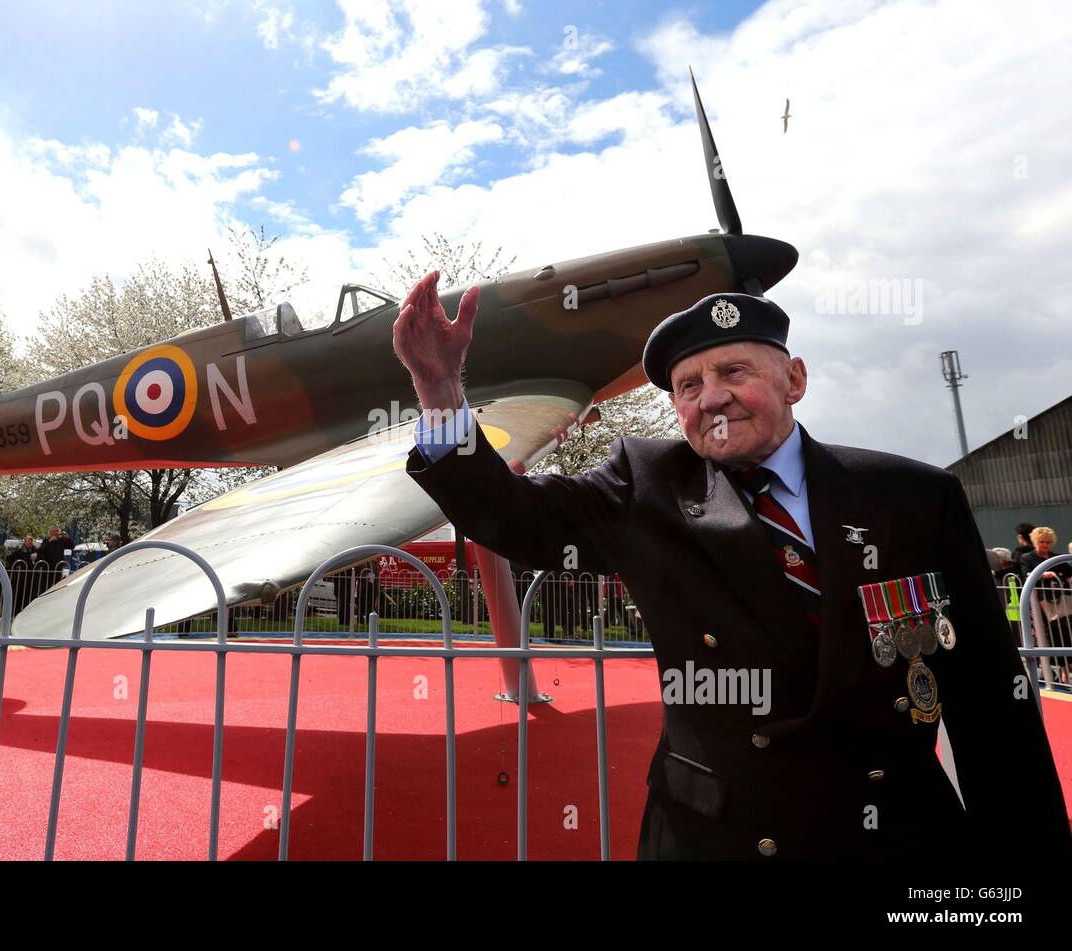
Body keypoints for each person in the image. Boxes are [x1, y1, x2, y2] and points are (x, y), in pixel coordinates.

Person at [393, 272, 1070, 860]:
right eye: (688, 385)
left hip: (894, 834)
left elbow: (991, 709)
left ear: (794, 379)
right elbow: (507, 514)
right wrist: (440, 388)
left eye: (733, 372)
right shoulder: (645, 485)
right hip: (721, 836)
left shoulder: (914, 497)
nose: (710, 397)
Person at [1019, 527, 1072, 685]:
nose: (1045, 545)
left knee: (1066, 632)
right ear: (1035, 541)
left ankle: (1067, 668)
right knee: (1053, 635)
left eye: (1048, 542)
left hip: (1063, 601)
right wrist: (1042, 574)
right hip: (1041, 603)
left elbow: (1069, 576)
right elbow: (1025, 575)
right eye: (1042, 542)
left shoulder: (1056, 558)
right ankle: (1063, 671)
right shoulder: (1027, 558)